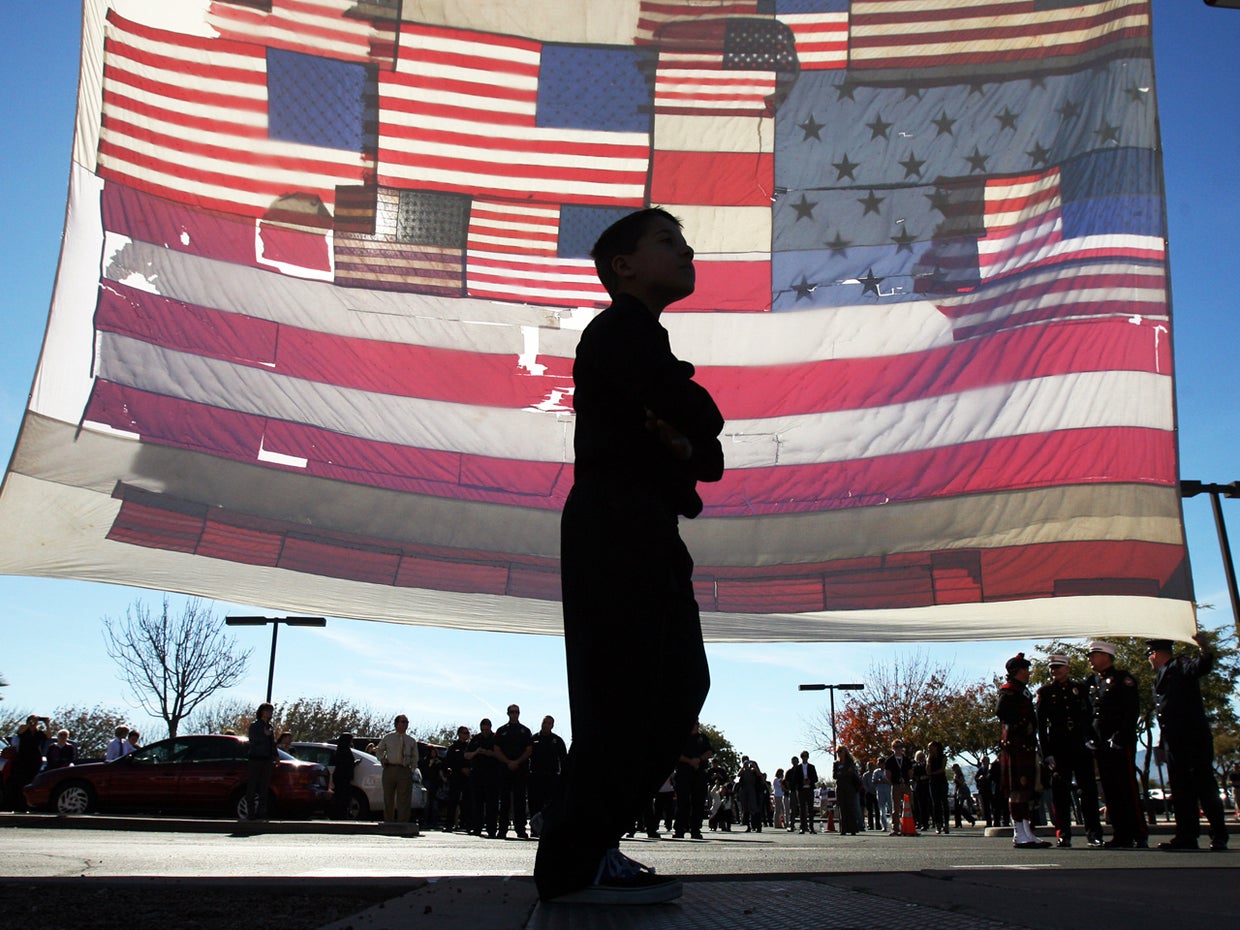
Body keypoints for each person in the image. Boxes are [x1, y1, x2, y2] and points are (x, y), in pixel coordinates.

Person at [532, 208, 724, 906]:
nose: (686, 251)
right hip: (615, 528)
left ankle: (591, 843)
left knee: (676, 685)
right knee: (623, 693)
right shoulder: (618, 333)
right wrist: (688, 425)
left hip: (649, 530)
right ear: (624, 266)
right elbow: (704, 419)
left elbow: (710, 456)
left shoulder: (646, 344)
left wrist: (686, 434)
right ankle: (574, 862)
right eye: (667, 242)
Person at [1147, 635, 1229, 851]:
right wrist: (1162, 744)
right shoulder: (1160, 675)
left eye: (1150, 655)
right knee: (1181, 791)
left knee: (1205, 787)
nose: (1149, 660)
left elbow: (1199, 667)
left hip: (1192, 739)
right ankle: (1186, 836)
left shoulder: (1179, 664)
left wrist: (1204, 649)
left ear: (1155, 654)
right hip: (1174, 742)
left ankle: (1219, 835)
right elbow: (1164, 713)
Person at [1036, 653, 1104, 847]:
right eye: (1052, 668)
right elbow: (1041, 725)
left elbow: (1089, 716)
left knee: (1088, 791)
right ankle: (1063, 833)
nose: (1055, 671)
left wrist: (1092, 740)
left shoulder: (1080, 689)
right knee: (1060, 793)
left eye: (1058, 667)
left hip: (1080, 745)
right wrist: (1047, 753)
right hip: (1058, 747)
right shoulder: (1045, 692)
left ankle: (1094, 834)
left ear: (1067, 668)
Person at [1086, 640, 1148, 849]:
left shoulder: (1123, 679)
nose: (1090, 659)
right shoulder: (1092, 681)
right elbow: (1091, 713)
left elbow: (1131, 711)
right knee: (1110, 790)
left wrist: (1120, 736)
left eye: (1094, 655)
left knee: (1127, 788)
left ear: (1106, 656)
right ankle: (1121, 834)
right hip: (1100, 742)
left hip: (1120, 741)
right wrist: (1091, 737)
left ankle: (1139, 833)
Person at [996, 653, 1048, 848]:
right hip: (1016, 745)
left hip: (1025, 745)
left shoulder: (1021, 690)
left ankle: (1027, 831)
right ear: (1016, 671)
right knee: (1018, 790)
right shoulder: (1009, 691)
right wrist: (1021, 725)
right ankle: (1019, 832)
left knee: (1026, 791)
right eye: (1025, 669)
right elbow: (1001, 712)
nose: (1028, 673)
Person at [494, 704, 533, 839]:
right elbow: (496, 749)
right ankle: (502, 829)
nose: (514, 714)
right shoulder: (501, 731)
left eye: (516, 712)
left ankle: (520, 829)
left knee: (520, 801)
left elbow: (529, 750)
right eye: (512, 712)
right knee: (504, 801)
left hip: (520, 770)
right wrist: (508, 762)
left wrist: (517, 762)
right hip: (505, 770)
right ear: (508, 713)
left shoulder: (525, 731)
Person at [374, 714, 419, 829]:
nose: (405, 724)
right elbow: (379, 750)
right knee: (388, 796)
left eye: (407, 722)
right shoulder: (388, 737)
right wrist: (382, 759)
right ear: (396, 724)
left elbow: (415, 757)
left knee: (404, 798)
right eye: (403, 722)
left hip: (404, 770)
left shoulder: (411, 740)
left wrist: (412, 769)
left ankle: (402, 822)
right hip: (390, 769)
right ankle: (388, 821)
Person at [528, 715, 568, 836]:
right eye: (544, 722)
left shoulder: (557, 740)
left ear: (552, 726)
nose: (546, 725)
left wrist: (563, 777)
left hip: (551, 778)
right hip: (536, 776)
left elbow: (564, 760)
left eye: (549, 723)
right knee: (535, 803)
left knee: (550, 805)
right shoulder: (533, 739)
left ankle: (548, 829)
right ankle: (535, 829)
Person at [672, 721, 713, 839]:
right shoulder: (682, 737)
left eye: (697, 723)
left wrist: (699, 759)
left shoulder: (702, 738)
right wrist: (690, 761)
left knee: (698, 802)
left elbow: (710, 752)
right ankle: (679, 829)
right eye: (694, 723)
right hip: (683, 773)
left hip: (699, 773)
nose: (696, 725)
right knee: (682, 802)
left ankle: (695, 829)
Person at [466, 717, 500, 837]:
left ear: (490, 728)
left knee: (492, 803)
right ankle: (477, 828)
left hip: (492, 775)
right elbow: (467, 755)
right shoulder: (476, 739)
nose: (484, 731)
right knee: (477, 803)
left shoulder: (495, 738)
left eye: (486, 729)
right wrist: (476, 752)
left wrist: (489, 753)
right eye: (483, 729)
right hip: (477, 775)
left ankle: (491, 829)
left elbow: (500, 754)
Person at [9, 716, 51, 812]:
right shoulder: (24, 730)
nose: (34, 723)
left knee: (31, 782)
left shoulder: (39, 733)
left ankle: (28, 806)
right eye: (33, 721)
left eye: (36, 722)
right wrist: (29, 723)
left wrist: (47, 724)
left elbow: (49, 736)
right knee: (20, 782)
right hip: (22, 759)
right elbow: (20, 732)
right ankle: (18, 806)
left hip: (35, 760)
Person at [245, 702, 277, 820]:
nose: (269, 713)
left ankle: (261, 811)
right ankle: (250, 812)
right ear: (261, 712)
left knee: (264, 786)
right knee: (252, 786)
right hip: (255, 758)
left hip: (267, 759)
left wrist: (276, 756)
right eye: (267, 710)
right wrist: (264, 735)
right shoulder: (255, 725)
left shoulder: (270, 726)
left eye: (271, 711)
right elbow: (253, 741)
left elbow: (272, 743)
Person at [441, 725, 472, 833]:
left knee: (467, 802)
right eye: (464, 733)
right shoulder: (453, 747)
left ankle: (466, 824)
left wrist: (469, 769)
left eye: (467, 733)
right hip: (456, 777)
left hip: (468, 778)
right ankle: (449, 825)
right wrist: (459, 769)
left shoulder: (470, 747)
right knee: (453, 801)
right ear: (459, 734)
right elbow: (448, 762)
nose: (466, 735)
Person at [885, 739, 914, 835]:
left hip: (905, 784)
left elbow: (910, 772)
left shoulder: (906, 760)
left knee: (908, 806)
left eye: (900, 747)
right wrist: (893, 783)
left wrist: (907, 780)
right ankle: (895, 828)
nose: (898, 749)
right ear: (892, 748)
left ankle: (908, 827)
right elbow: (887, 774)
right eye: (896, 747)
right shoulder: (889, 760)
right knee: (896, 808)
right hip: (896, 785)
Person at [833, 747, 863, 835]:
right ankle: (843, 829)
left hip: (850, 787)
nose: (839, 753)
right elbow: (835, 775)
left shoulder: (850, 762)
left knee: (850, 808)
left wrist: (842, 773)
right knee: (842, 808)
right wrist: (843, 773)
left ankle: (853, 829)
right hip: (840, 787)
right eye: (837, 752)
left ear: (845, 752)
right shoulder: (836, 763)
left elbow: (851, 773)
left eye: (840, 751)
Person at [330, 731, 358, 820]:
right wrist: (354, 763)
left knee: (339, 796)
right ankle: (341, 814)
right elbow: (346, 763)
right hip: (343, 777)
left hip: (339, 776)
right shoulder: (345, 750)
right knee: (343, 796)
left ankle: (338, 814)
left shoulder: (339, 750)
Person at [925, 740, 950, 835]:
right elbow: (927, 770)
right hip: (933, 782)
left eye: (931, 747)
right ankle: (938, 824)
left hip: (942, 781)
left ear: (936, 747)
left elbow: (942, 769)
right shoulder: (930, 758)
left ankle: (946, 824)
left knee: (944, 802)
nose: (929, 749)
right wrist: (928, 761)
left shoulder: (943, 757)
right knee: (936, 803)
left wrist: (932, 773)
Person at [793, 750, 819, 834]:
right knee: (802, 809)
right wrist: (802, 782)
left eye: (806, 756)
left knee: (811, 809)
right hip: (801, 790)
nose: (805, 758)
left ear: (808, 757)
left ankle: (811, 827)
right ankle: (803, 827)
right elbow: (795, 779)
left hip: (810, 790)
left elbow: (816, 778)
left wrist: (810, 781)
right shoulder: (798, 768)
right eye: (803, 756)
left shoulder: (811, 767)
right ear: (801, 757)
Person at [951, 763, 976, 828]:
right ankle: (958, 823)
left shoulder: (959, 774)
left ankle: (970, 819)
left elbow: (962, 782)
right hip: (956, 791)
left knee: (959, 807)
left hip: (961, 792)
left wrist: (957, 779)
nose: (952, 769)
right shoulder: (955, 774)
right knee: (957, 808)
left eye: (954, 767)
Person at [872, 760, 892, 833]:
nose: (880, 765)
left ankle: (895, 825)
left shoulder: (888, 771)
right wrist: (879, 781)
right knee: (882, 809)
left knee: (891, 807)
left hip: (888, 790)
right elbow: (873, 781)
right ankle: (884, 826)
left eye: (881, 763)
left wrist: (886, 781)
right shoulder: (876, 772)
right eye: (879, 764)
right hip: (880, 791)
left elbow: (892, 781)